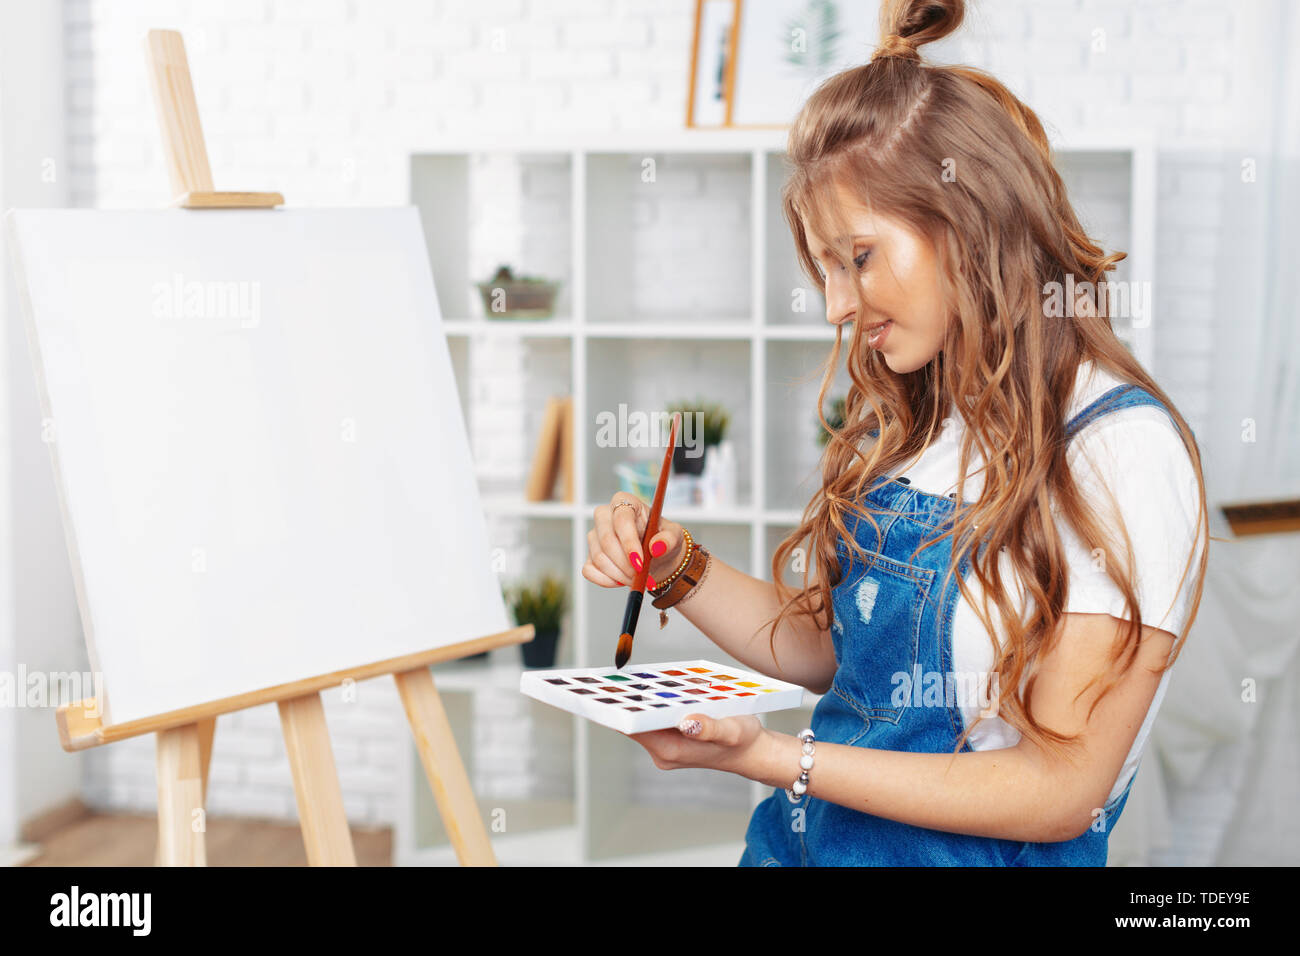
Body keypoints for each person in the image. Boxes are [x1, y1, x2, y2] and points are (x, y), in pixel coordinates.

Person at [581, 0, 1208, 866]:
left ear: (970, 222)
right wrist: (674, 563)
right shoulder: (927, 415)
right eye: (827, 269)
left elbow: (1061, 789)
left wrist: (772, 756)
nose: (838, 306)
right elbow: (837, 651)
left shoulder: (1122, 453)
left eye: (859, 258)